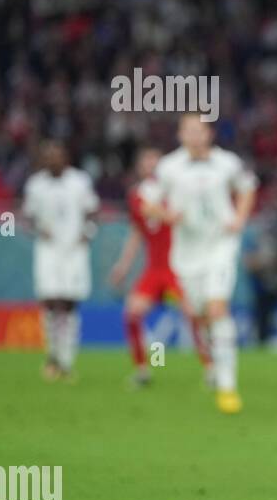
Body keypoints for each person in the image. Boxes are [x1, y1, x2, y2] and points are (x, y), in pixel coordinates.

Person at [150, 114, 258, 414]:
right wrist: (165, 215)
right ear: (181, 135)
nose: (195, 136)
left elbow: (248, 187)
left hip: (220, 246)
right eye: (188, 131)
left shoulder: (228, 163)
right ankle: (213, 366)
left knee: (216, 308)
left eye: (200, 130)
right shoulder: (168, 167)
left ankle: (227, 386)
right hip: (186, 254)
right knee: (199, 316)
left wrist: (239, 218)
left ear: (209, 133)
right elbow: (147, 201)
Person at [109, 146, 213, 387]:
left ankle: (211, 369)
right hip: (155, 269)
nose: (151, 165)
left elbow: (185, 219)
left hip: (179, 267)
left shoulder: (177, 190)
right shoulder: (137, 194)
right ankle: (143, 370)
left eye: (156, 160)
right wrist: (123, 265)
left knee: (194, 315)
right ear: (139, 166)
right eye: (146, 161)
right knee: (132, 314)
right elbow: (138, 231)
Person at [22, 140, 98, 382]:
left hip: (74, 250)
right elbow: (27, 217)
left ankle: (67, 359)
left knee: (69, 302)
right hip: (48, 250)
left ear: (66, 157)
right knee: (50, 301)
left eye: (57, 155)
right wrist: (37, 229)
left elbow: (93, 211)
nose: (53, 160)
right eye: (48, 156)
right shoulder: (35, 185)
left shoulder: (80, 181)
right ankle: (52, 356)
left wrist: (88, 233)